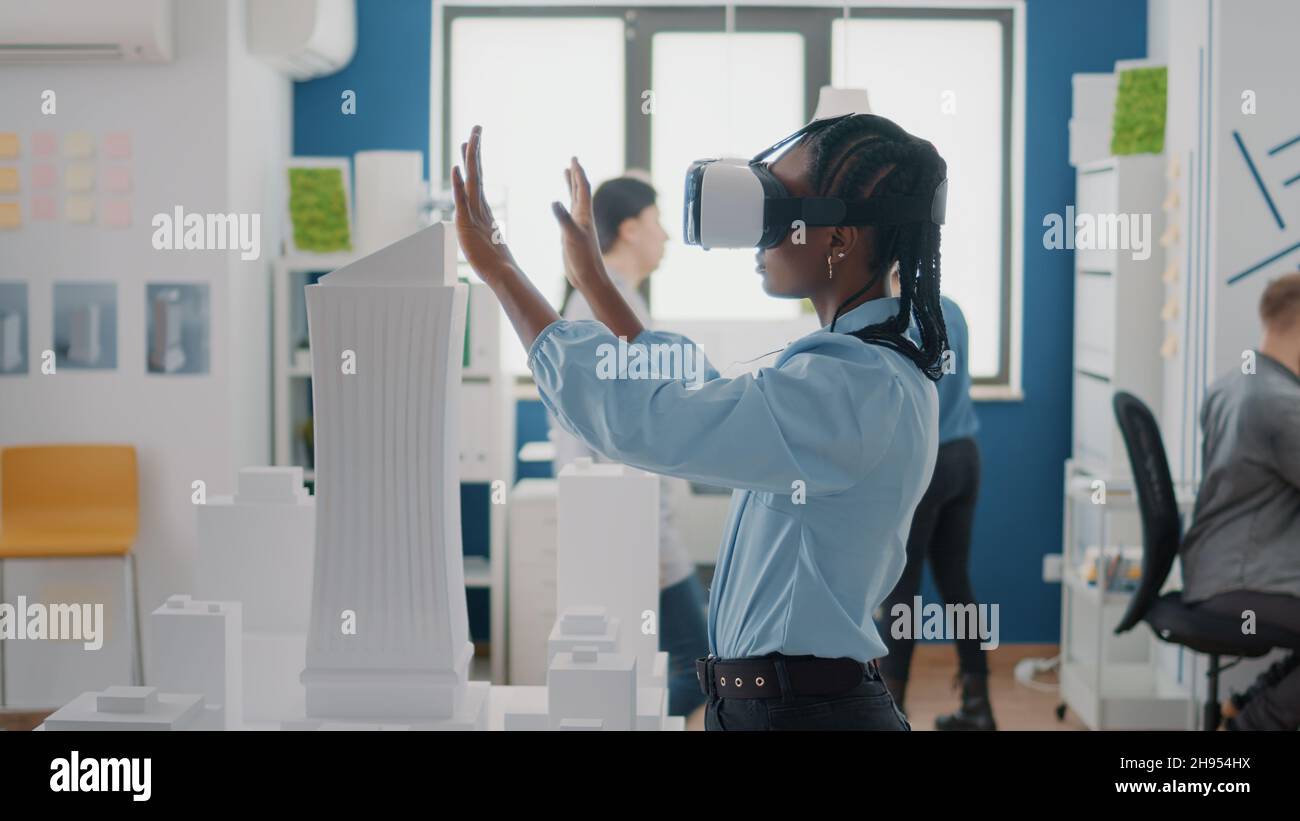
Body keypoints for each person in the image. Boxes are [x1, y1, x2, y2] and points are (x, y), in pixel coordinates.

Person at [451, 113, 948, 731]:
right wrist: (598, 285)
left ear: (838, 238)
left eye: (777, 211)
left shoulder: (853, 385)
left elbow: (651, 419)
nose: (759, 237)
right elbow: (701, 397)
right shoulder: (859, 373)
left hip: (803, 715)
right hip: (785, 706)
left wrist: (500, 272)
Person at [548, 175, 711, 724]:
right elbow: (609, 430)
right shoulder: (605, 302)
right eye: (658, 220)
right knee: (698, 661)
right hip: (626, 517)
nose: (666, 235)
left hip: (629, 514)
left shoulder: (616, 298)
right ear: (629, 227)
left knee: (673, 658)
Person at [1180, 271, 1300, 731]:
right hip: (1244, 579)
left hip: (1214, 568)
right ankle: (1250, 724)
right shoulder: (1279, 402)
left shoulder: (1233, 384)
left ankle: (1247, 702)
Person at [878, 274, 994, 730]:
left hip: (927, 462)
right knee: (956, 582)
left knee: (902, 589)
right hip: (966, 456)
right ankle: (978, 703)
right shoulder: (952, 307)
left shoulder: (899, 316)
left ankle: (891, 713)